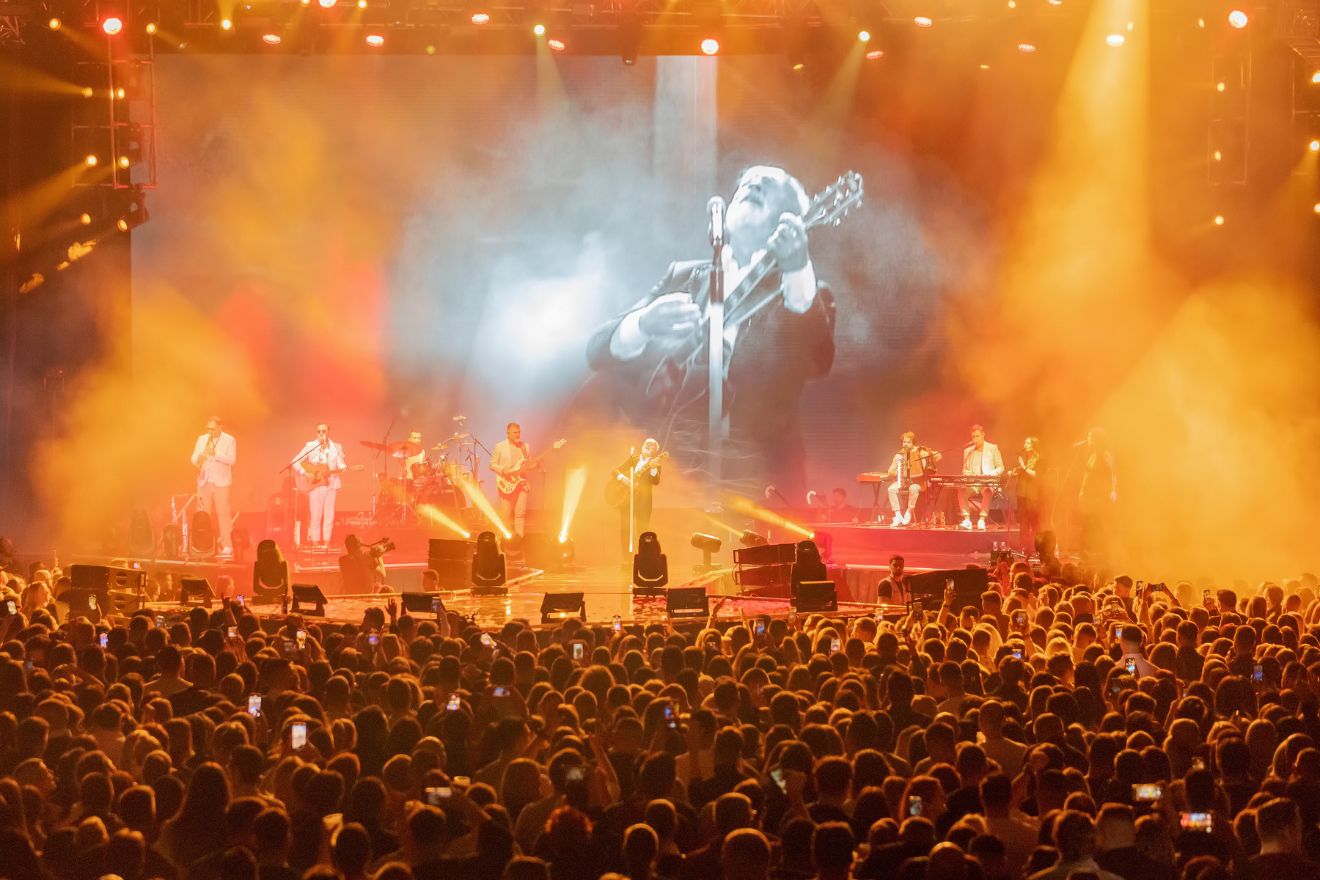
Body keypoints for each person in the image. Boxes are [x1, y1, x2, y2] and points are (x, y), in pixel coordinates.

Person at [585, 165, 836, 498]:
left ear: (792, 220)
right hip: (665, 479)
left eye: (769, 183)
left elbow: (819, 361)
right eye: (746, 181)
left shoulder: (800, 291)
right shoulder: (685, 276)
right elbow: (598, 351)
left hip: (756, 485)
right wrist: (644, 323)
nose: (754, 183)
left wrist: (797, 267)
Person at [292, 423, 348, 550]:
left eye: (324, 430)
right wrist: (305, 473)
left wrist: (343, 468)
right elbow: (295, 461)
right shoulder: (310, 446)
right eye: (319, 431)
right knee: (316, 514)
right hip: (316, 484)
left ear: (328, 431)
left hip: (331, 483)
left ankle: (326, 544)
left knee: (329, 514)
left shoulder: (336, 447)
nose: (321, 433)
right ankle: (316, 544)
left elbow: (341, 463)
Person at [191, 417, 237, 556]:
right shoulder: (202, 439)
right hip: (204, 481)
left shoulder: (229, 440)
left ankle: (227, 546)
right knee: (203, 515)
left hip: (221, 482)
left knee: (223, 514)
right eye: (208, 428)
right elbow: (193, 458)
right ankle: (202, 544)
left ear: (220, 427)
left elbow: (232, 459)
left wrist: (215, 454)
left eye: (212, 428)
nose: (210, 431)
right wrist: (198, 459)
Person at [612, 439, 663, 554]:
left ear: (654, 451)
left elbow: (655, 481)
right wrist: (622, 478)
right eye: (647, 442)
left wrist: (654, 468)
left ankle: (643, 558)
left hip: (643, 502)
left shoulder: (655, 465)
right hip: (627, 500)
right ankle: (626, 559)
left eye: (652, 445)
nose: (648, 444)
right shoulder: (633, 459)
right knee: (625, 529)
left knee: (642, 531)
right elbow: (615, 471)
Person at [886, 432, 941, 528]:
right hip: (904, 481)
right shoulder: (899, 456)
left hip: (919, 482)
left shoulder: (919, 451)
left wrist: (928, 455)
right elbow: (890, 472)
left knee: (913, 488)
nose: (905, 444)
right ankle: (898, 515)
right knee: (891, 489)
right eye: (904, 442)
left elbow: (938, 456)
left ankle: (909, 511)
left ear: (913, 443)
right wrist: (900, 472)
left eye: (908, 442)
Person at [1078, 428, 1118, 561]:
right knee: (1090, 522)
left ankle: (1106, 552)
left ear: (1096, 439)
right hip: (1091, 494)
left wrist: (1113, 490)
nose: (1088, 438)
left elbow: (1113, 473)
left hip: (1101, 494)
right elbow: (1086, 475)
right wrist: (1082, 489)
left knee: (1102, 522)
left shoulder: (1105, 454)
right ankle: (1091, 549)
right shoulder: (1092, 455)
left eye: (1090, 436)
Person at [491, 423, 531, 542]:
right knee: (506, 513)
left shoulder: (525, 447)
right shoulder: (500, 446)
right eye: (515, 432)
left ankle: (518, 541)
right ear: (508, 433)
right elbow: (492, 464)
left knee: (520, 513)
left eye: (519, 432)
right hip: (506, 483)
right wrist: (503, 470)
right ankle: (502, 540)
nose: (518, 434)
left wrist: (536, 463)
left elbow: (527, 465)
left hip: (522, 482)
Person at [958, 425, 1004, 531]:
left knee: (987, 490)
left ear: (983, 435)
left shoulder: (992, 448)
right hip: (974, 483)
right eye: (973, 436)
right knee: (961, 489)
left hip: (988, 482)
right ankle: (967, 520)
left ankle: (982, 519)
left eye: (977, 436)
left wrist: (991, 475)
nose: (975, 439)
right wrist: (970, 475)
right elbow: (964, 469)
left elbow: (1001, 467)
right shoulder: (967, 451)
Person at [1012, 437, 1042, 555]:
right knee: (1023, 522)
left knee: (1034, 522)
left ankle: (1035, 546)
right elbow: (1022, 473)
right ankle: (1024, 546)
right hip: (1022, 494)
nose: (1025, 445)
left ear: (1034, 445)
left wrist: (1023, 467)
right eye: (1025, 442)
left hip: (1033, 496)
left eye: (1028, 443)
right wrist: (1015, 472)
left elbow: (1037, 476)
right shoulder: (1025, 458)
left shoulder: (1039, 459)